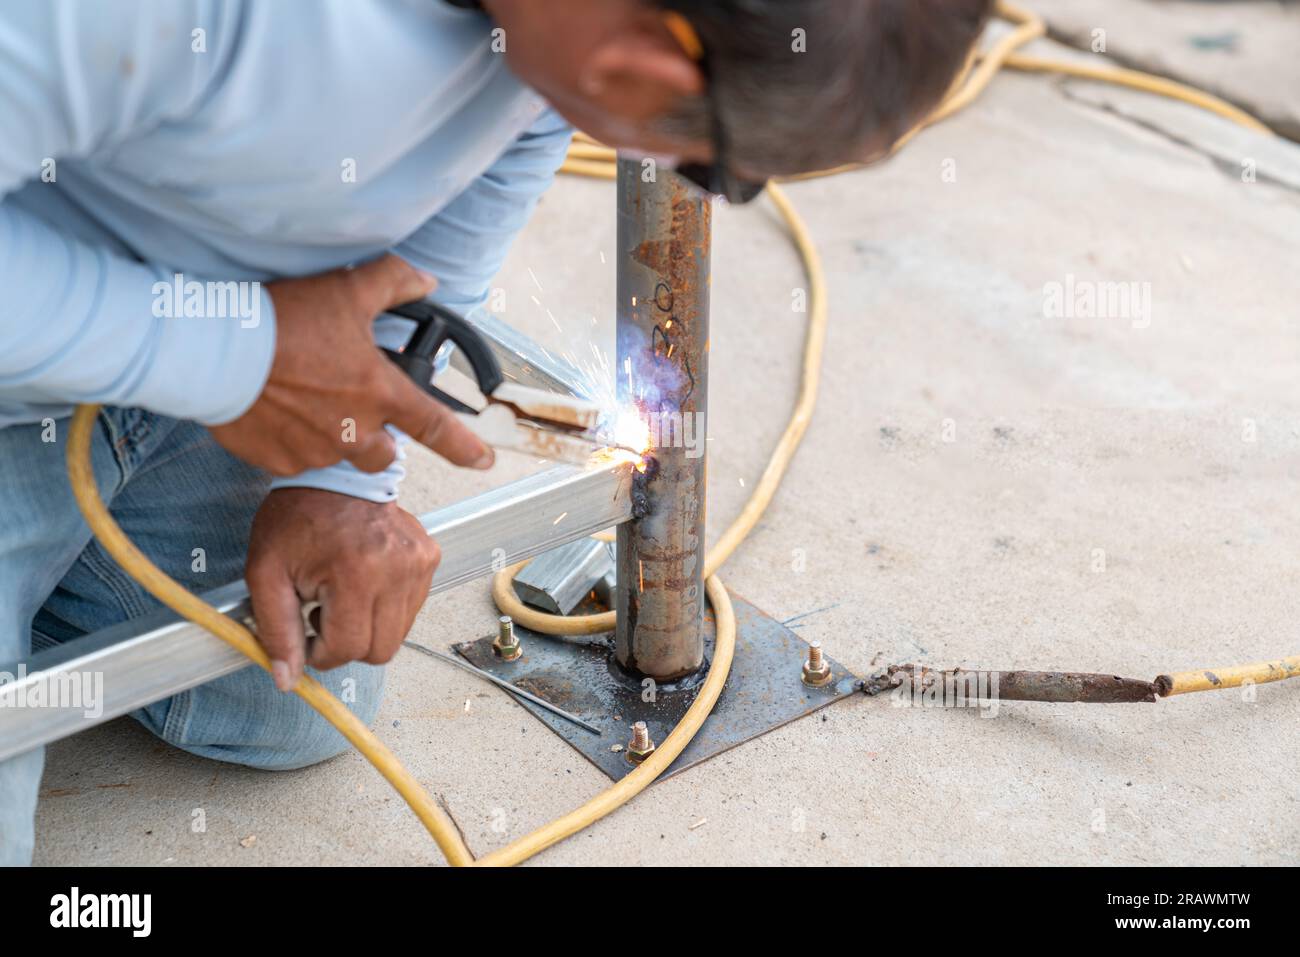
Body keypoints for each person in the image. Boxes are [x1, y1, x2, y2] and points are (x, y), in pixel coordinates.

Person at [0, 0, 991, 864]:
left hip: (190, 360)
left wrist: (345, 480)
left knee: (288, 703)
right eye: (720, 169)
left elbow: (450, 221)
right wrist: (234, 355)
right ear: (636, 69)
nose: (695, 178)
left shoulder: (550, 41)